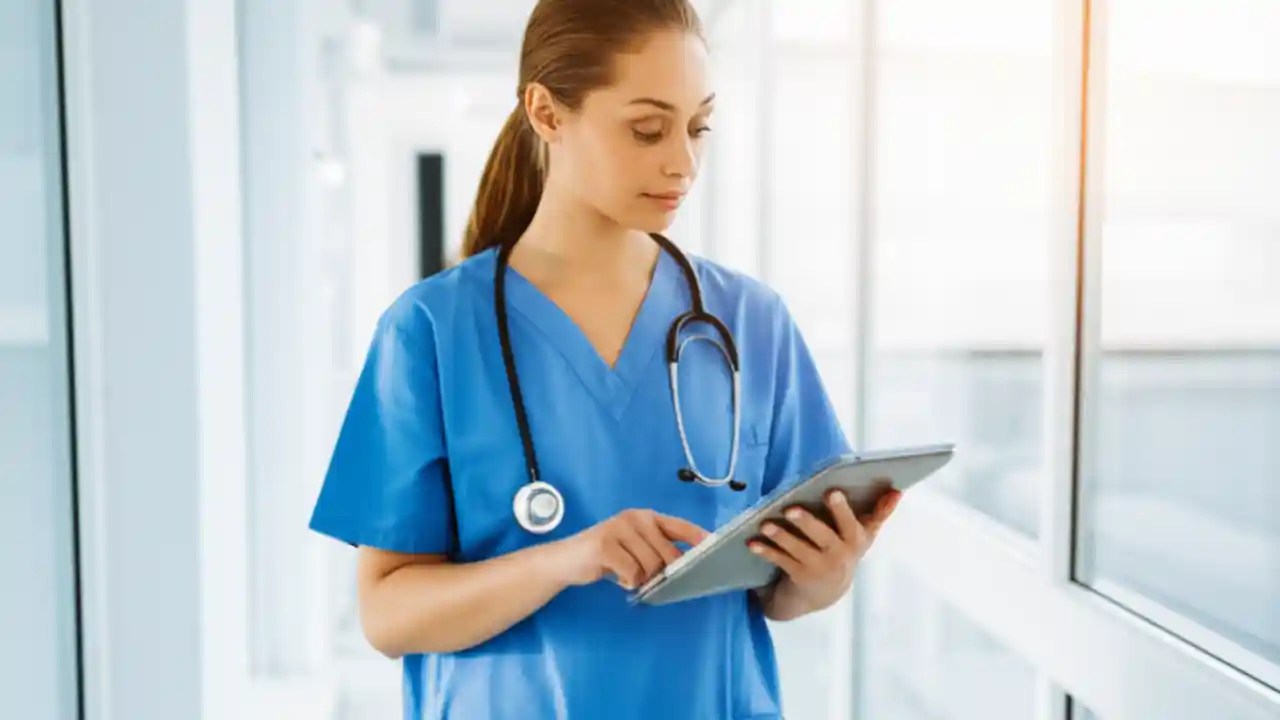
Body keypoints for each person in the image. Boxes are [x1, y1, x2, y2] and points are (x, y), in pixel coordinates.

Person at [307, 0, 902, 717]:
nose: (682, 161)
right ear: (547, 113)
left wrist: (826, 576)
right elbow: (388, 615)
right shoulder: (431, 331)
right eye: (646, 129)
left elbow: (779, 593)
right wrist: (567, 559)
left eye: (697, 127)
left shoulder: (750, 323)